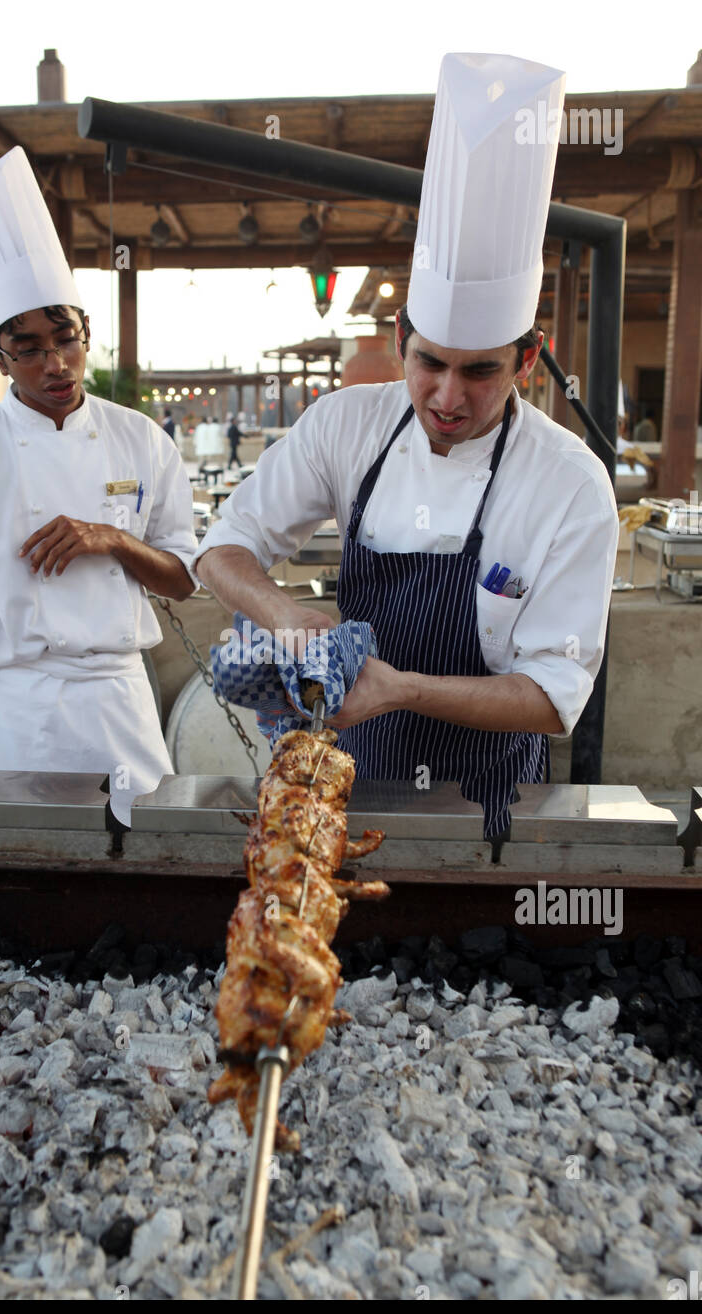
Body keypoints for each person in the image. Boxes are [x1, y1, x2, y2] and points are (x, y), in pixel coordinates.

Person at [194, 52, 619, 842]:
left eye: (482, 372)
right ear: (401, 341)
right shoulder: (347, 424)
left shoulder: (571, 485)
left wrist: (400, 689)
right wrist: (285, 613)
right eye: (429, 363)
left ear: (528, 359)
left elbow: (553, 699)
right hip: (343, 788)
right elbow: (221, 548)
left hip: (490, 807)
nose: (448, 398)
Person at [0, 147, 196, 813]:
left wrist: (114, 540)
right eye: (30, 348)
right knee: (35, 890)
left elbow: (184, 578)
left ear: (86, 333)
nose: (55, 363)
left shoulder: (141, 439)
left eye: (66, 339)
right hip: (21, 717)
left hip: (122, 705)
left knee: (144, 882)